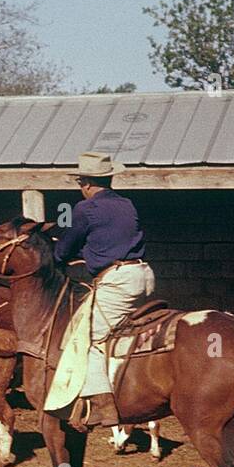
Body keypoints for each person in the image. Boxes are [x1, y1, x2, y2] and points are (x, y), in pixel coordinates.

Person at [52, 151, 154, 429]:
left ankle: (103, 406)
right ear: (109, 178)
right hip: (141, 274)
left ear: (84, 183)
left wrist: (60, 254)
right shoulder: (127, 204)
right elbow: (111, 238)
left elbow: (63, 248)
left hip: (118, 280)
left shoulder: (85, 209)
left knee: (86, 338)